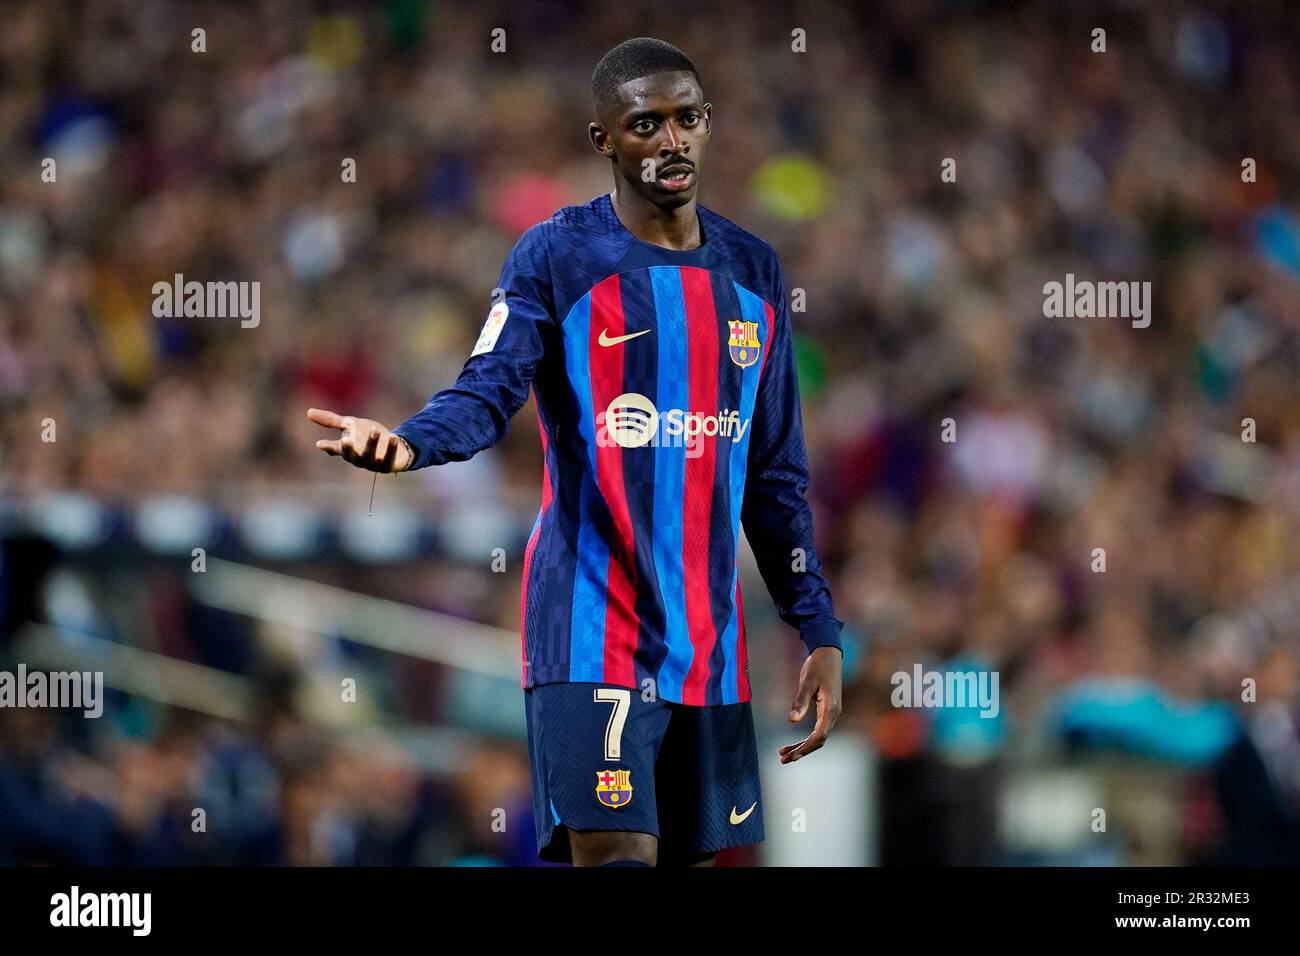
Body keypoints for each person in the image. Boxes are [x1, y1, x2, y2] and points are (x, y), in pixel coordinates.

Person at [308, 37, 843, 866]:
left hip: (709, 638)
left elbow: (774, 476)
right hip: (589, 625)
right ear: (605, 140)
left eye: (688, 120)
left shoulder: (754, 271)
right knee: (619, 856)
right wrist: (409, 444)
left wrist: (817, 626)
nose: (672, 142)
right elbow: (488, 389)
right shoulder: (557, 257)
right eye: (646, 124)